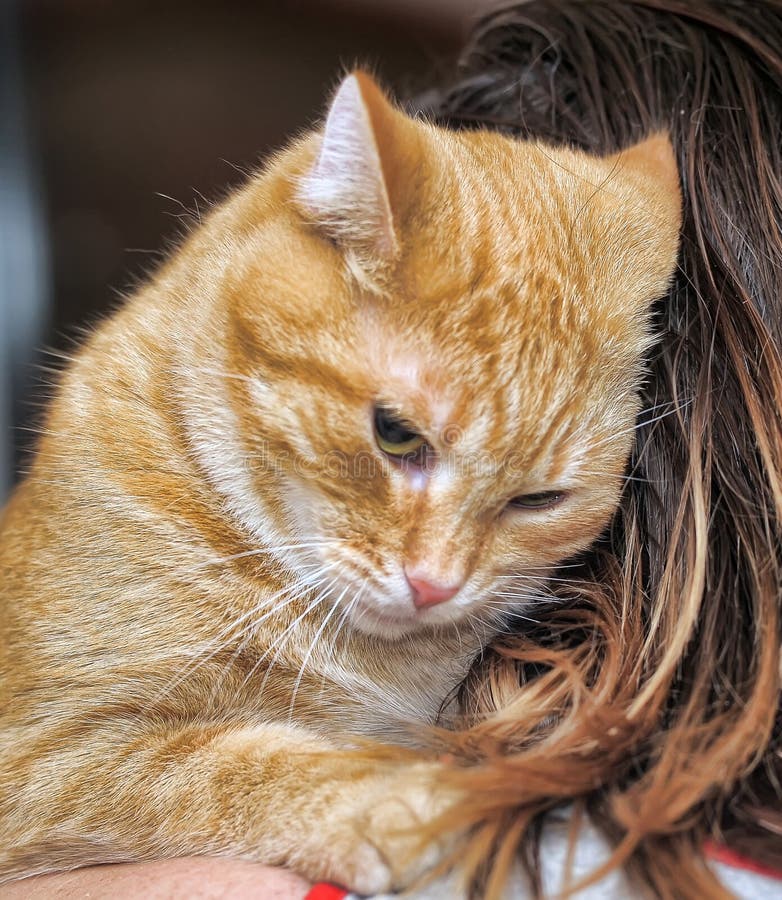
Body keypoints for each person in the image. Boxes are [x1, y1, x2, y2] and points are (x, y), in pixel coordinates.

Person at [4, 1, 781, 896]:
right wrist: (307, 800)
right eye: (400, 436)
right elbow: (23, 780)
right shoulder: (129, 456)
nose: (436, 575)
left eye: (535, 500)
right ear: (330, 226)